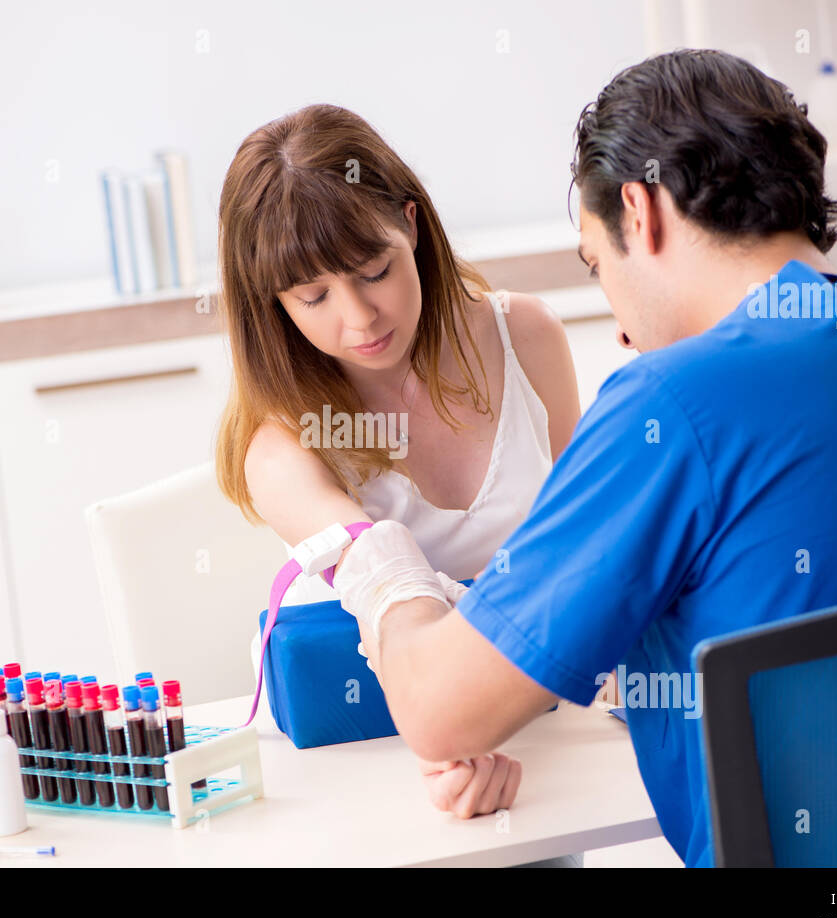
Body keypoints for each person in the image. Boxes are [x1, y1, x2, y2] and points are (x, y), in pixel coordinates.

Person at [329, 49, 837, 866]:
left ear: (640, 210)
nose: (616, 326)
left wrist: (384, 571)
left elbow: (440, 709)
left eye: (596, 262)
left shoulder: (674, 403)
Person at [213, 104, 588, 813]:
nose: (359, 318)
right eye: (314, 295)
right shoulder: (282, 445)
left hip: (544, 726)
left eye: (373, 270)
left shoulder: (527, 337)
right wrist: (454, 719)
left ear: (412, 225)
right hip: (373, 768)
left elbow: (586, 545)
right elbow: (386, 579)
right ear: (274, 305)